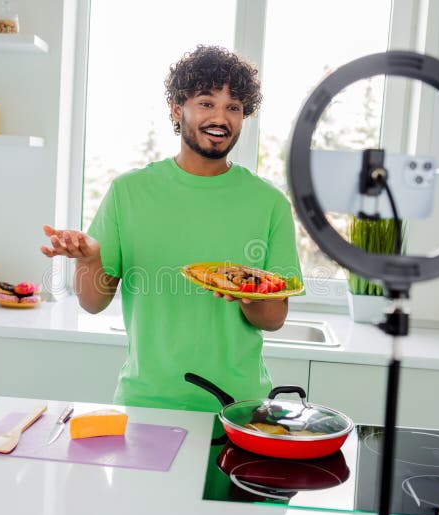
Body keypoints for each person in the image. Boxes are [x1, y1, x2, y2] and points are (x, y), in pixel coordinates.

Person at [41, 45, 302, 412]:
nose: (221, 117)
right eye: (207, 102)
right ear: (177, 108)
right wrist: (90, 259)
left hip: (237, 408)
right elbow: (92, 301)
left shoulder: (269, 204)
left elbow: (273, 319)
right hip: (147, 404)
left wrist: (248, 292)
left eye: (234, 107)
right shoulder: (129, 192)